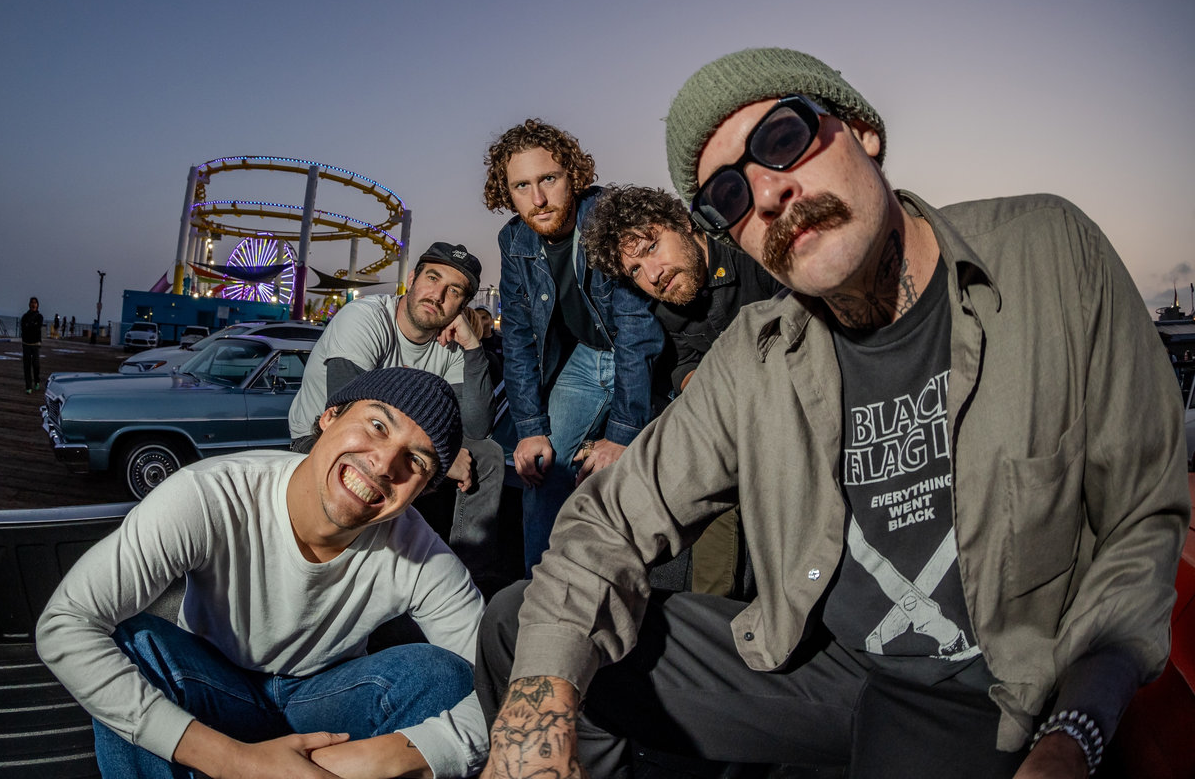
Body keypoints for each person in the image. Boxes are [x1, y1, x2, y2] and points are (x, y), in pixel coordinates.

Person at [476, 48, 1190, 779]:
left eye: (783, 140)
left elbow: (1140, 519)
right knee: (520, 627)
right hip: (831, 669)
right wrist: (539, 716)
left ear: (862, 130)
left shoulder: (1047, 252)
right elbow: (607, 523)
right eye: (729, 194)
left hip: (1001, 692)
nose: (767, 192)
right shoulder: (754, 355)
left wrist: (1073, 734)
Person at [38, 367, 488, 778]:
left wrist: (380, 759)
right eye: (377, 425)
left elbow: (502, 689)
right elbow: (66, 624)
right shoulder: (211, 495)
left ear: (421, 491)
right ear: (329, 417)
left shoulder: (423, 556)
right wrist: (235, 763)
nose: (385, 465)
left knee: (443, 675)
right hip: (211, 685)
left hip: (325, 704)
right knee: (135, 645)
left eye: (415, 461)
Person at [582, 184, 783, 597]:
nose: (652, 275)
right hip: (732, 421)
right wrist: (703, 389)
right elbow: (684, 366)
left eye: (653, 247)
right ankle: (710, 610)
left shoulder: (751, 253)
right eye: (635, 271)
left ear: (685, 225)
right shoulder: (662, 305)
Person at [483, 119, 664, 572]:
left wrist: (621, 435)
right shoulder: (514, 240)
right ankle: (537, 591)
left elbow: (637, 330)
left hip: (644, 356)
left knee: (642, 482)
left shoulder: (607, 217)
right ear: (507, 192)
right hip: (585, 359)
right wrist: (530, 428)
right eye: (521, 186)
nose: (538, 199)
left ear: (573, 175)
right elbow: (518, 337)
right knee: (542, 470)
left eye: (548, 179)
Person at [289, 242, 507, 592]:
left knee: (488, 456)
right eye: (432, 278)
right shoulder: (366, 318)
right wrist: (441, 458)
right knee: (376, 457)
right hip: (321, 440)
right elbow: (346, 415)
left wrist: (472, 347)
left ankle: (468, 580)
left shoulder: (451, 346)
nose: (438, 295)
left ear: (462, 306)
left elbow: (477, 428)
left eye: (454, 291)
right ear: (412, 278)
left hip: (405, 443)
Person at [473, 305, 503, 385]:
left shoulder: (502, 343)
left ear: (491, 321)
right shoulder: (469, 343)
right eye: (476, 318)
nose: (479, 321)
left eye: (483, 318)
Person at [20, 296, 44, 393]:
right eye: (32, 302)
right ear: (29, 304)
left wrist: (30, 326)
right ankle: (28, 387)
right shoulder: (25, 316)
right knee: (26, 366)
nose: (33, 304)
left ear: (37, 305)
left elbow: (37, 327)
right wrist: (31, 326)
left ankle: (37, 380)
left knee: (36, 364)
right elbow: (23, 327)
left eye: (35, 302)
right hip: (26, 343)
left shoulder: (39, 316)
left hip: (35, 343)